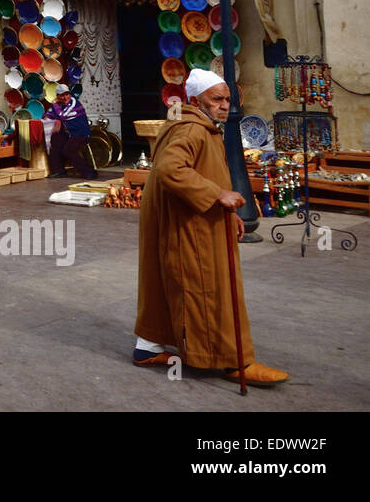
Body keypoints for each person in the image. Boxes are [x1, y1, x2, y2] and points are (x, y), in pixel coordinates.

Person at [133, 68, 288, 385]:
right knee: (210, 288)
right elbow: (169, 169)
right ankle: (232, 361)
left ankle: (146, 347)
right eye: (216, 99)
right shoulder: (192, 129)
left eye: (228, 99)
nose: (224, 105)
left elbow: (199, 171)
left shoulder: (197, 126)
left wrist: (227, 211)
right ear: (195, 100)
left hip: (191, 215)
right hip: (192, 223)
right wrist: (217, 194)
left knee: (163, 282)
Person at [45, 83, 96, 179]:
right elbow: (48, 115)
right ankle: (58, 170)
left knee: (68, 150)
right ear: (58, 96)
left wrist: (55, 104)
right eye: (62, 95)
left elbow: (63, 115)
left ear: (70, 94)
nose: (65, 97)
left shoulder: (74, 102)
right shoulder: (59, 105)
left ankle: (89, 171)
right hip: (71, 134)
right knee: (56, 139)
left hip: (81, 133)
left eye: (67, 94)